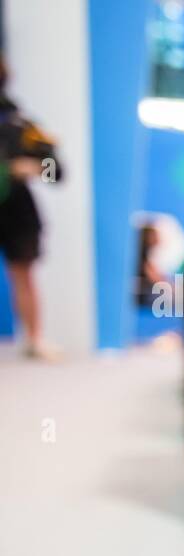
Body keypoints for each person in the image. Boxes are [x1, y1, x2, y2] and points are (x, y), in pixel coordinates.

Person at [0, 56, 60, 360]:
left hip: (15, 213)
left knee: (22, 274)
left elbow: (56, 171)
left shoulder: (21, 125)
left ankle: (34, 340)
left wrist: (34, 167)